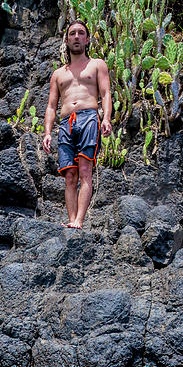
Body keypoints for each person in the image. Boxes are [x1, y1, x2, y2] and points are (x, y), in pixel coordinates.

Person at [42, 21, 112, 229]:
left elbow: (106, 94)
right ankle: (71, 220)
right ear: (66, 40)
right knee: (69, 175)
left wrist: (106, 118)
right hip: (66, 124)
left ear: (87, 39)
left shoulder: (97, 65)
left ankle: (80, 220)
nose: (76, 37)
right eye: (72, 33)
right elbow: (51, 106)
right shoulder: (58, 74)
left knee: (85, 170)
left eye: (81, 33)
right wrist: (47, 132)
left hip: (89, 118)